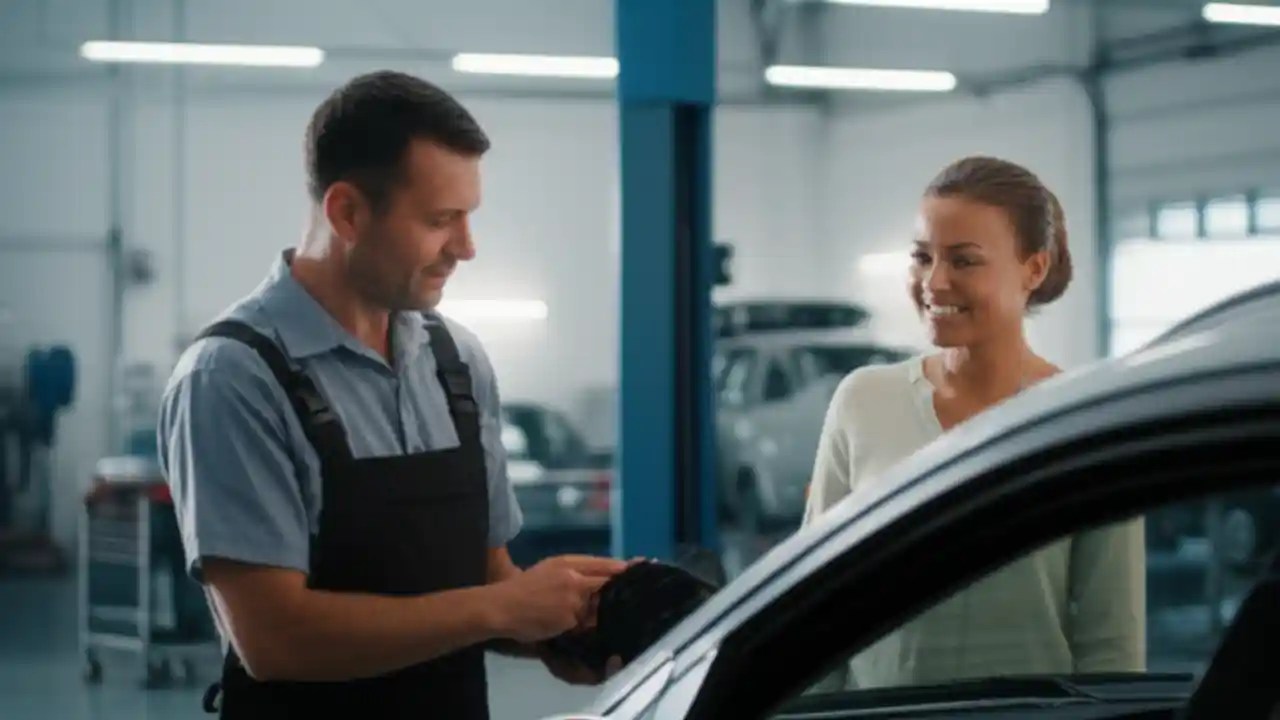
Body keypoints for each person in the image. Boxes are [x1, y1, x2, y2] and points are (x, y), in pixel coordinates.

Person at [156, 70, 627, 719]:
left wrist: (550, 629)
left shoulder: (457, 362)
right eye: (441, 220)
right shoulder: (234, 377)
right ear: (347, 212)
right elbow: (273, 638)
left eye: (469, 217)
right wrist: (502, 610)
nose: (466, 247)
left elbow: (487, 581)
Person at [802, 156, 1146, 690]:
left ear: (1033, 268)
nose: (934, 283)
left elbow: (1112, 644)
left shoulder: (1087, 423)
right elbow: (815, 609)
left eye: (964, 261)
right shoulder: (863, 401)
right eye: (922, 257)